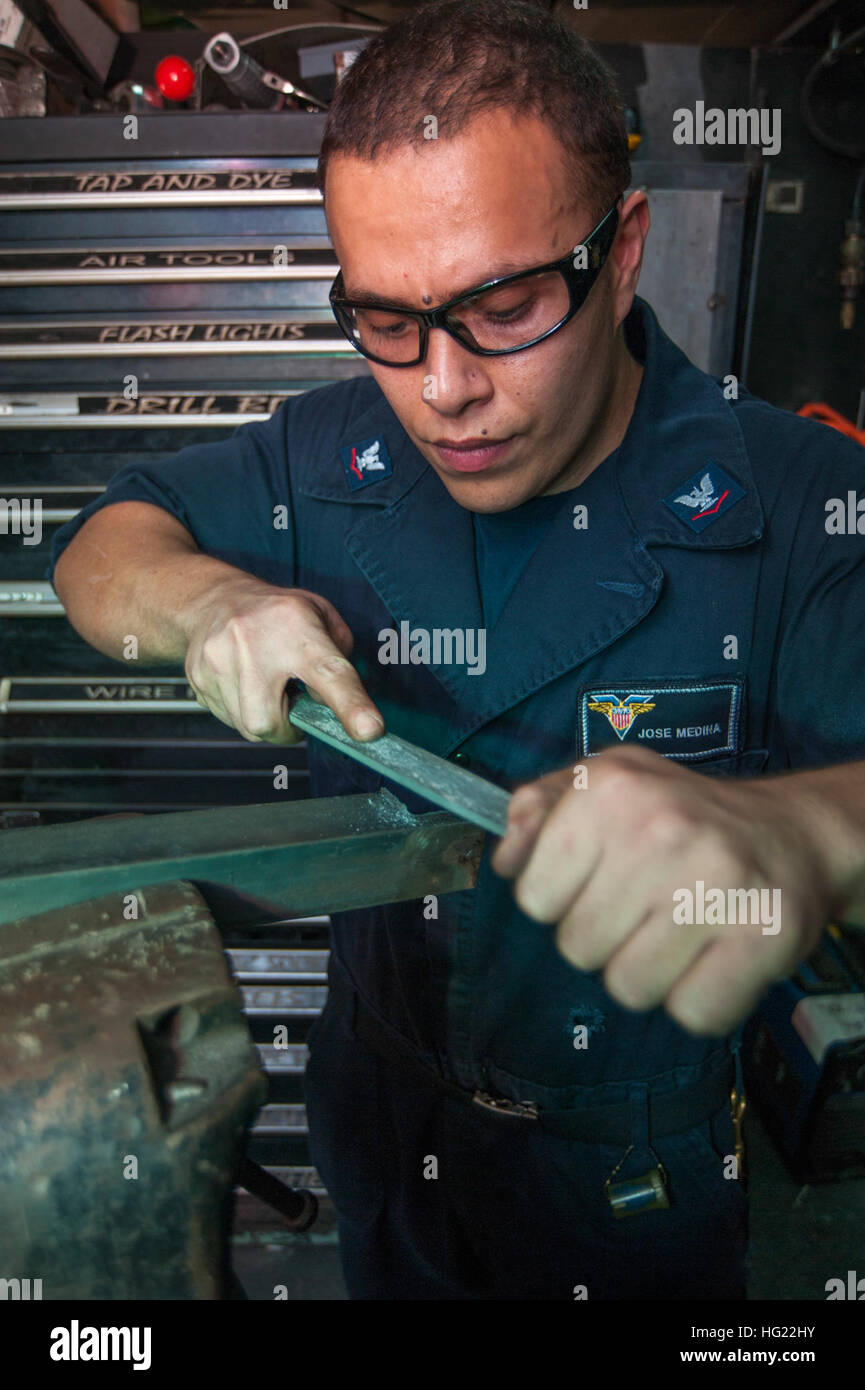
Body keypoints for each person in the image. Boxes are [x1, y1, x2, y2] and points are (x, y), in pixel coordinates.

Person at [48, 0, 865, 1301]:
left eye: (502, 304)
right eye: (384, 316)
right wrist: (200, 599)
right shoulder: (324, 453)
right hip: (385, 1127)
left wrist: (809, 836)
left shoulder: (794, 495)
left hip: (632, 1185)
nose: (440, 388)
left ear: (624, 249)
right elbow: (101, 544)